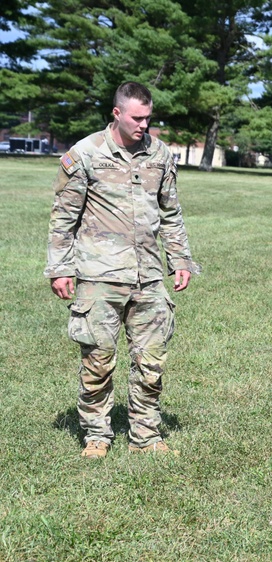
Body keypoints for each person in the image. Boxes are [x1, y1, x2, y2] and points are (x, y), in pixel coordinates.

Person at [45, 81, 200, 459]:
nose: (144, 125)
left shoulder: (160, 155)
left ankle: (145, 434)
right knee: (98, 359)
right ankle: (97, 433)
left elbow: (171, 213)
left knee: (151, 362)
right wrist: (59, 268)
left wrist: (179, 259)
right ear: (117, 113)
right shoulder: (85, 154)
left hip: (147, 276)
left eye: (148, 118)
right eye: (137, 117)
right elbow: (63, 217)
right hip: (99, 276)